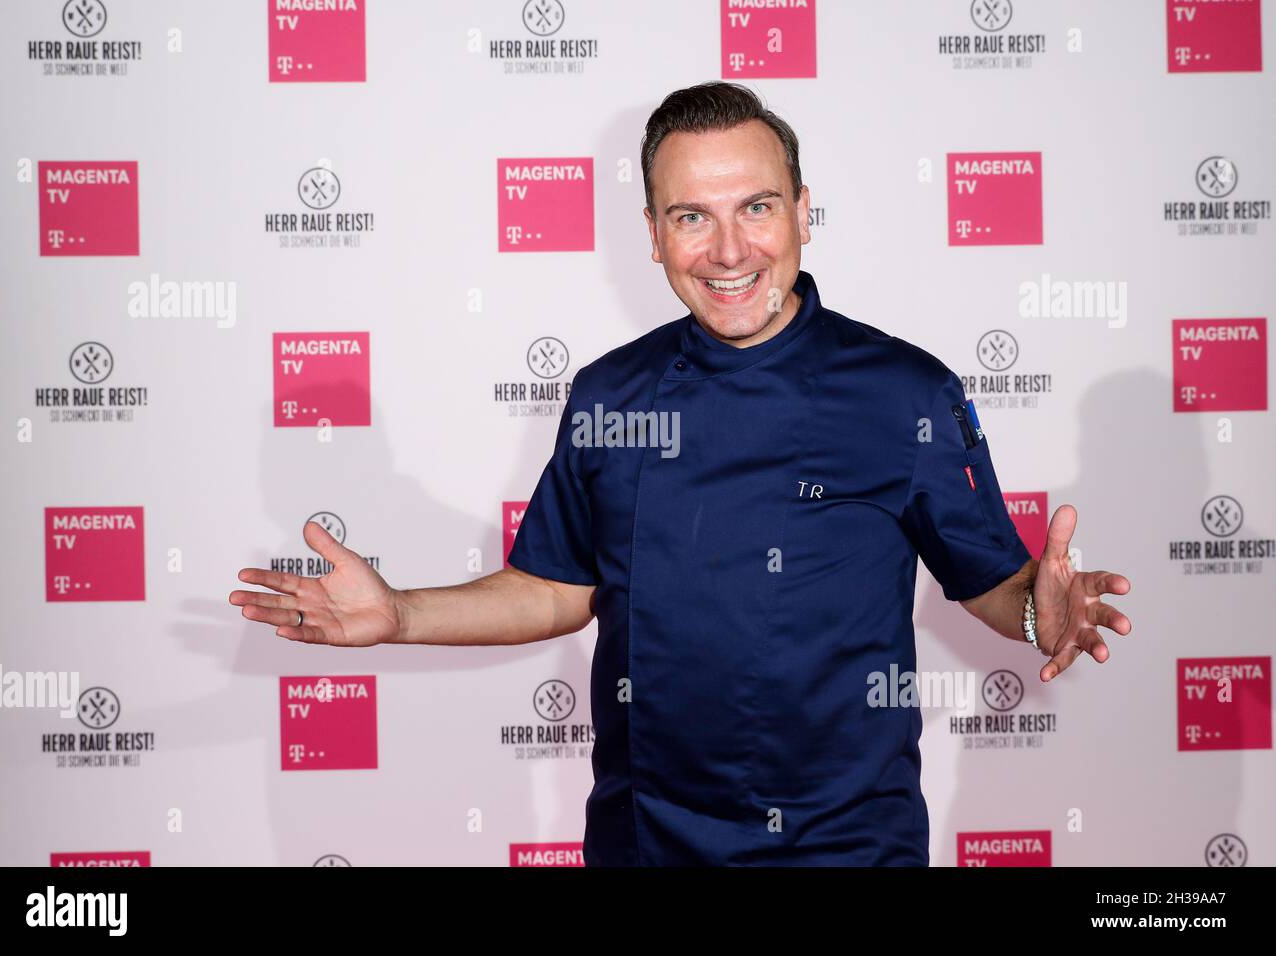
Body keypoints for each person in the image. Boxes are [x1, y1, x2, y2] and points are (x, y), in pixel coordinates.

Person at [229, 81, 1133, 866]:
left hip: (847, 847)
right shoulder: (610, 395)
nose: (729, 250)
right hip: (646, 842)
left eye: (757, 207)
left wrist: (1030, 610)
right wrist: (400, 616)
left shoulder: (905, 392)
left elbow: (986, 582)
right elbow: (555, 588)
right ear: (654, 236)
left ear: (803, 212)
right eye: (692, 216)